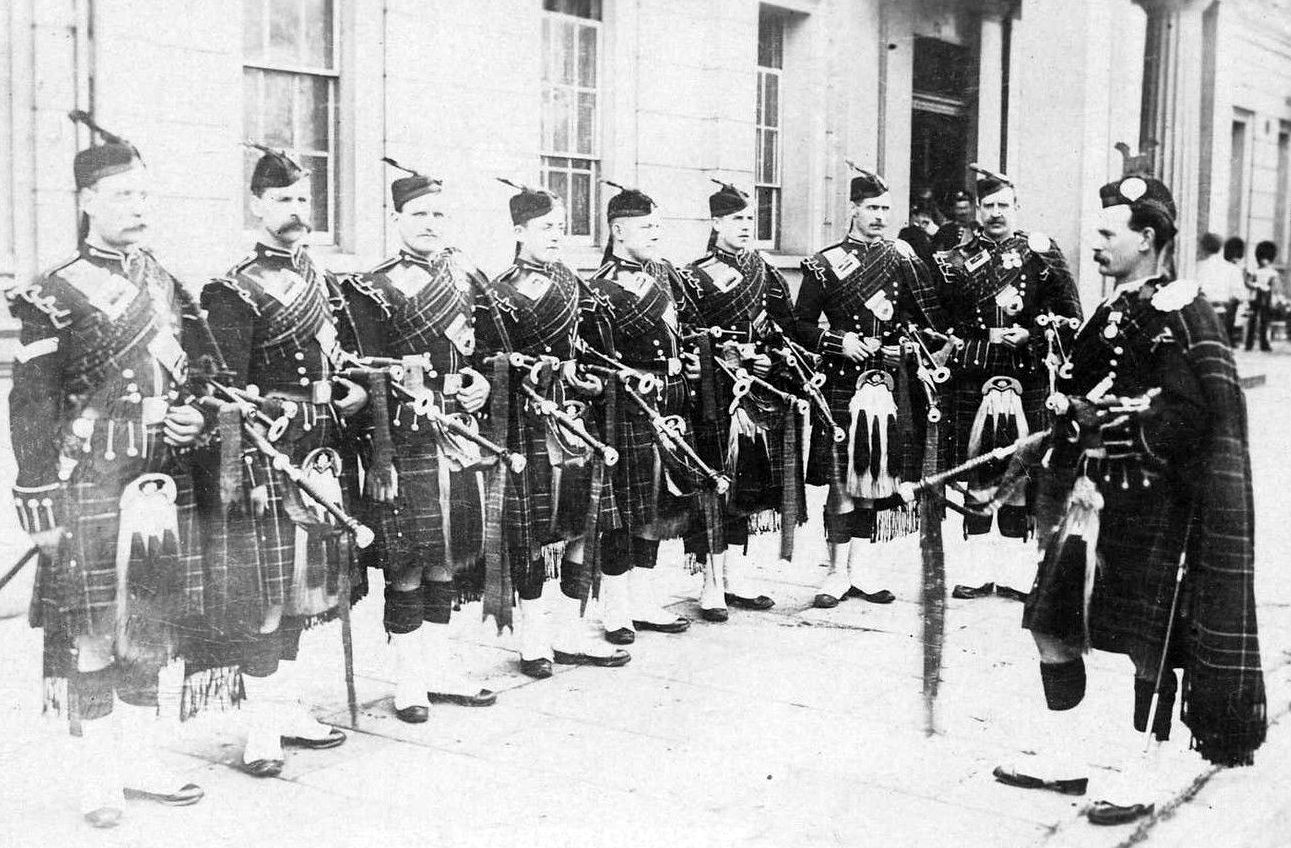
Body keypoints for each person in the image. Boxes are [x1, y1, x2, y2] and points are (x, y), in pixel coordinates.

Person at [994, 174, 1266, 825]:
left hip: (1151, 503)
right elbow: (1088, 383)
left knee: (1151, 646)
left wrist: (1107, 423)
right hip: (1090, 501)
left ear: (1145, 239)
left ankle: (1145, 767)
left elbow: (1188, 414)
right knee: (1050, 624)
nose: (1095, 243)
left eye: (1108, 234)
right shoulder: (1115, 303)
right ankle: (1065, 755)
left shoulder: (1179, 307)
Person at [8, 113, 216, 827]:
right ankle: (99, 777)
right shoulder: (51, 292)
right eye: (124, 195)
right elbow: (31, 406)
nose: (139, 209)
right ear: (88, 201)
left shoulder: (164, 282)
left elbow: (203, 375)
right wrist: (37, 500)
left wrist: (198, 416)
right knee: (94, 631)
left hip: (159, 476)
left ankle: (141, 763)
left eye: (145, 196)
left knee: (150, 622)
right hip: (91, 481)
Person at [201, 146, 367, 773]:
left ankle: (287, 706)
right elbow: (227, 389)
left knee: (306, 585)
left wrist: (349, 389)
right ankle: (261, 731)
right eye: (283, 200)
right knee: (268, 589)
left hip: (322, 445)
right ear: (257, 205)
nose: (297, 210)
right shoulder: (234, 286)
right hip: (269, 454)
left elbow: (337, 359)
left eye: (303, 199)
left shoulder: (318, 276)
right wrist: (279, 411)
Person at [339, 160, 498, 721]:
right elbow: (357, 372)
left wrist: (481, 381)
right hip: (403, 439)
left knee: (451, 555)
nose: (430, 223)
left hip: (459, 434)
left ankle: (440, 666)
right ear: (396, 217)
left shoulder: (465, 276)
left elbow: (487, 352)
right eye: (419, 213)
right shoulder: (369, 287)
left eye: (438, 213)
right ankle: (408, 679)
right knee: (409, 556)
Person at [473, 179, 629, 676]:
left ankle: (569, 631)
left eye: (561, 227)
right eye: (546, 228)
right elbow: (483, 361)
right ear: (519, 231)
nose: (556, 236)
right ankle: (534, 640)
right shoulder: (497, 292)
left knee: (585, 524)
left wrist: (591, 372)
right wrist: (519, 370)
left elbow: (588, 343)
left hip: (574, 417)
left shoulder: (571, 279)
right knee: (532, 535)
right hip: (527, 421)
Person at [794, 166, 949, 609]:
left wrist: (910, 347)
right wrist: (840, 341)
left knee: (875, 475)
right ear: (854, 210)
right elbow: (801, 327)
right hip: (844, 381)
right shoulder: (824, 264)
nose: (880, 216)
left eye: (885, 208)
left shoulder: (902, 259)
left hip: (889, 383)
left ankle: (859, 569)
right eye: (872, 209)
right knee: (841, 481)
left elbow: (928, 320)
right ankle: (834, 572)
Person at [934, 166, 1081, 601]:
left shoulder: (1041, 254)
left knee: (1022, 473)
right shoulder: (953, 261)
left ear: (1017, 208)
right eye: (988, 205)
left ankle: (1017, 574)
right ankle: (977, 572)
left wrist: (1033, 337)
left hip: (1028, 374)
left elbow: (1072, 317)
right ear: (976, 210)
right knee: (980, 471)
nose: (996, 213)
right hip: (975, 376)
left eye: (1004, 205)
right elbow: (940, 325)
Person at [674, 180, 804, 622]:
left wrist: (769, 360)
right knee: (715, 484)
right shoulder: (693, 274)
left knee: (746, 483)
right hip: (712, 394)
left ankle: (737, 574)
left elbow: (785, 329)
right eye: (736, 219)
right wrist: (713, 361)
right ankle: (710, 582)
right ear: (716, 223)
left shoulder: (766, 271)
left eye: (750, 218)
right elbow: (684, 335)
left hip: (754, 395)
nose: (746, 226)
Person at [580, 182, 700, 644]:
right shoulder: (598, 289)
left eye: (658, 225)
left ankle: (645, 598)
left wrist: (686, 360)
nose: (656, 233)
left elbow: (681, 331)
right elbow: (594, 358)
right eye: (646, 227)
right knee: (625, 509)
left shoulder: (664, 275)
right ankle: (616, 609)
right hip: (628, 407)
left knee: (657, 505)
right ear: (617, 229)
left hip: (669, 398)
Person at [1195, 232, 1243, 345]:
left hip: (1201, 313)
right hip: (1223, 313)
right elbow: (1239, 295)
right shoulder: (1233, 269)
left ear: (1202, 247)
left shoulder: (1197, 266)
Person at [1244, 240, 1279, 351]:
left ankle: (1264, 344)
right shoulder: (1254, 271)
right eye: (1262, 258)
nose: (1264, 261)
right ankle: (1249, 344)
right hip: (1255, 297)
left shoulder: (1273, 272)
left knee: (1265, 321)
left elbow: (1274, 286)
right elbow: (1248, 282)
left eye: (1266, 259)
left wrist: (1272, 295)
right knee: (1252, 321)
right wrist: (1255, 285)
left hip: (1266, 298)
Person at [1223, 236, 1248, 346]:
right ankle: (1229, 340)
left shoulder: (1225, 267)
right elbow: (1238, 286)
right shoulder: (1235, 269)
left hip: (1226, 297)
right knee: (1230, 321)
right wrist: (1242, 297)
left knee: (1228, 321)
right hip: (1232, 298)